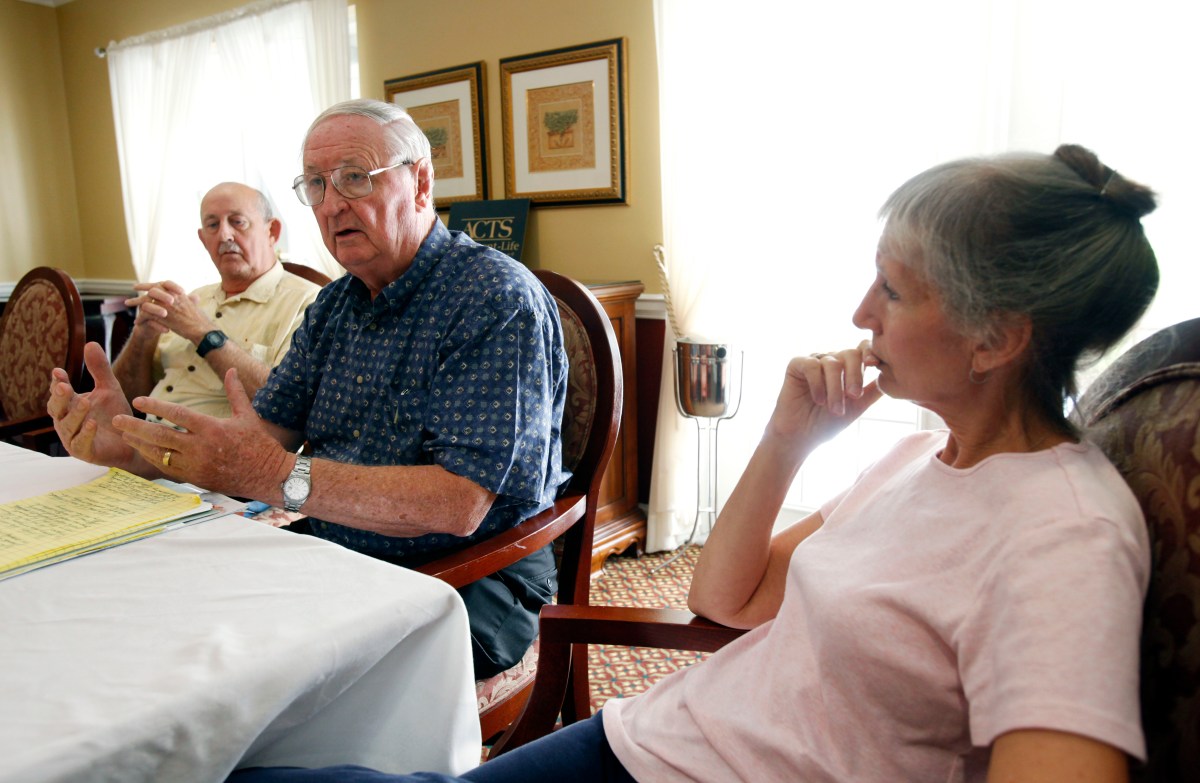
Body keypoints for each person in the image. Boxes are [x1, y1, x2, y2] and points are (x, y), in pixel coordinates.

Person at [228, 143, 1160, 783]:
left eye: (893, 288)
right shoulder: (921, 455)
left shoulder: (1062, 535)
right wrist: (789, 438)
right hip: (656, 737)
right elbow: (724, 597)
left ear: (996, 338)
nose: (860, 310)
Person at [48, 99, 568, 679]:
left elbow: (459, 504)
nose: (332, 204)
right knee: (164, 623)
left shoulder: (492, 298)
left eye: (354, 178)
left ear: (420, 181)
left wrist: (275, 477)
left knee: (254, 676)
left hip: (470, 579)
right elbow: (255, 437)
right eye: (315, 186)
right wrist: (130, 447)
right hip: (338, 555)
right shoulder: (335, 306)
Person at [113, 182, 321, 426]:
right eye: (213, 225)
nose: (224, 235)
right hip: (142, 444)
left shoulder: (308, 303)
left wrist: (201, 332)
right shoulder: (192, 299)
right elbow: (126, 399)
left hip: (220, 455)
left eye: (237, 222)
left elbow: (286, 404)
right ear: (203, 239)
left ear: (272, 231)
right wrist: (142, 337)